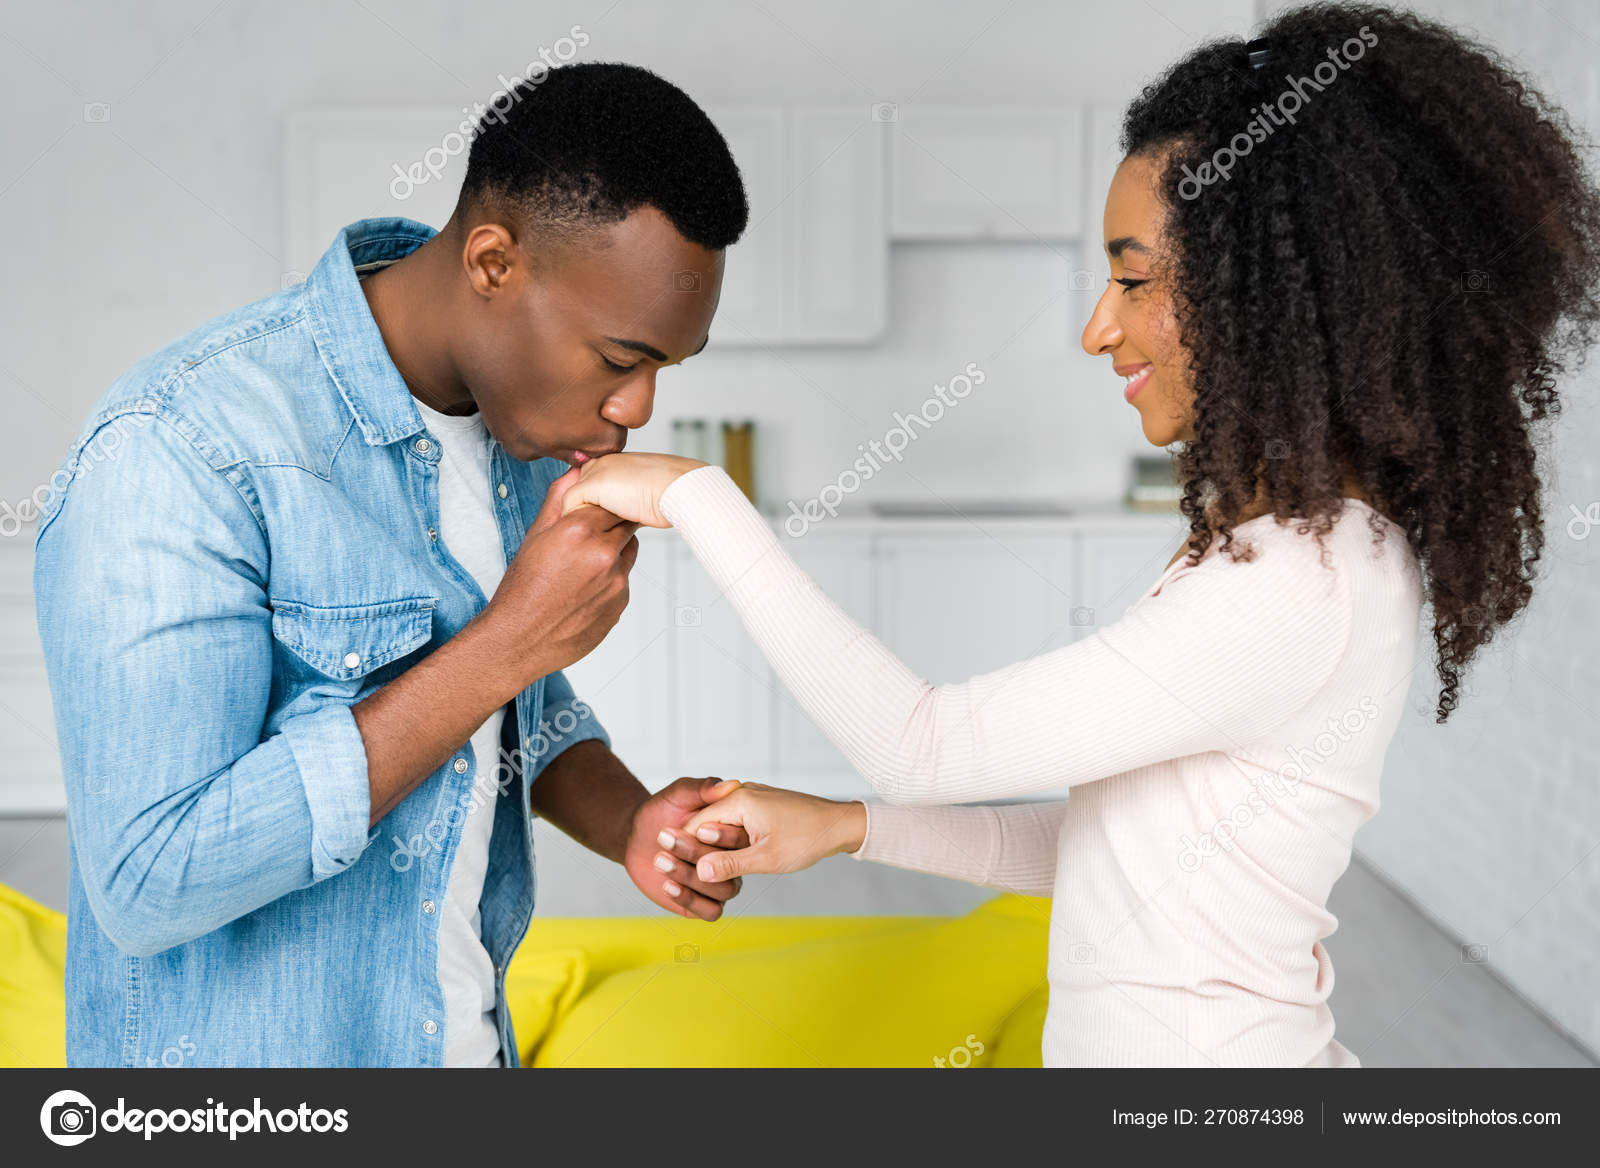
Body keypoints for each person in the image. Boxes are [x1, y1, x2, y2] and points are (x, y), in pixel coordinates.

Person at [561, 5, 1600, 1066]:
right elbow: (1116, 851)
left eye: (1135, 278)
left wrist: (698, 496)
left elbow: (920, 744)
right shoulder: (1289, 549)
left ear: (1279, 295)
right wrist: (846, 828)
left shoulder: (1303, 581)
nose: (1097, 326)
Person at [34, 63, 752, 1067]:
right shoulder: (180, 446)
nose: (638, 409)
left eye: (666, 368)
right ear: (494, 263)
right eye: (620, 357)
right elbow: (152, 878)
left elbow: (509, 713)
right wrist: (506, 644)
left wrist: (629, 815)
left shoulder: (510, 427)